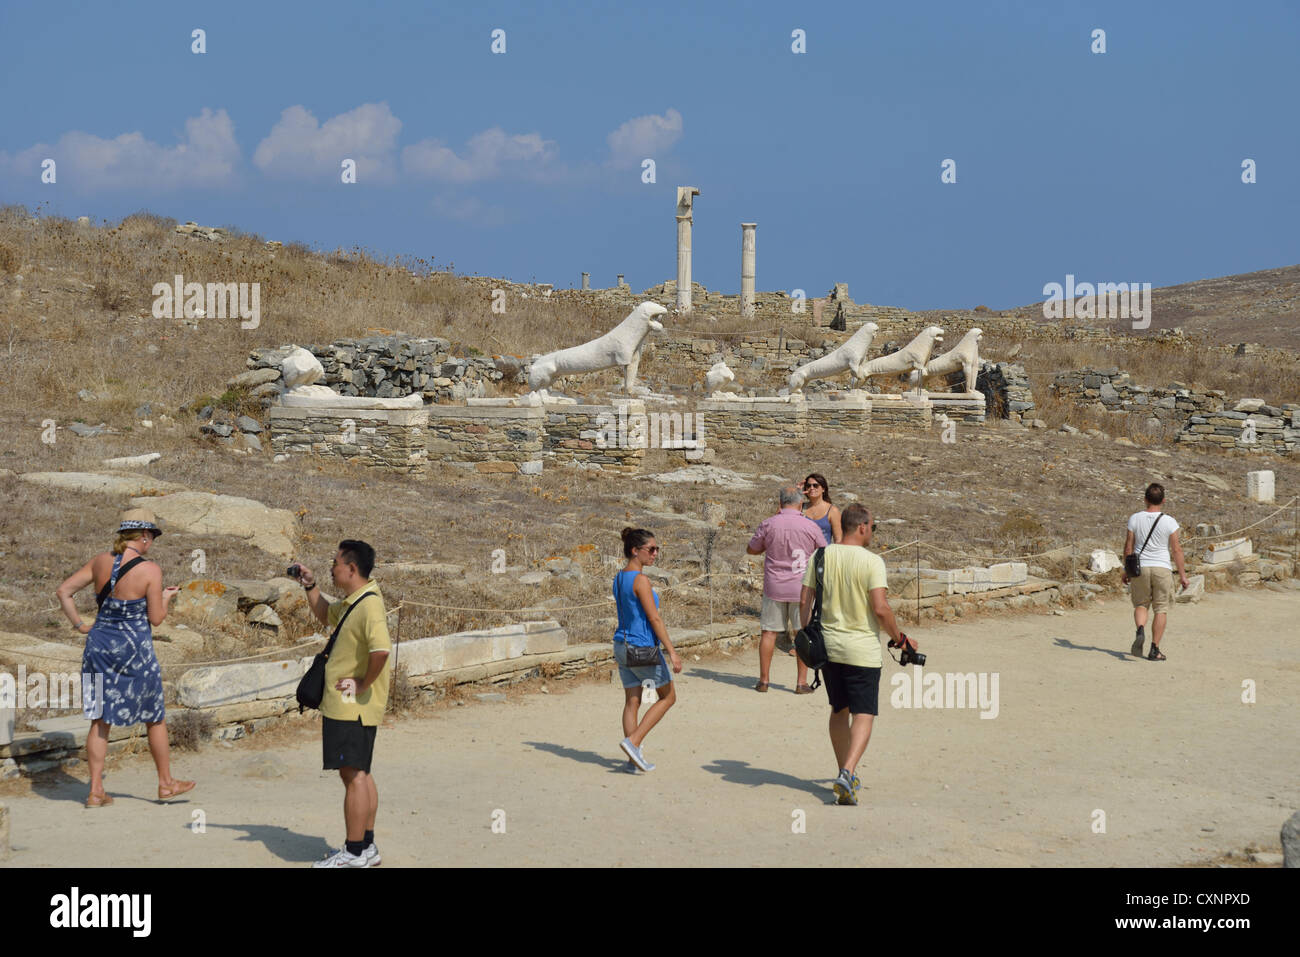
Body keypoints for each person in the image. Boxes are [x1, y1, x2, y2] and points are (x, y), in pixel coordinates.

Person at [55, 508, 194, 807]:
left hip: (98, 646)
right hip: (134, 651)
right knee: (155, 717)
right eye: (152, 537)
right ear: (144, 536)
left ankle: (95, 790)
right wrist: (167, 598)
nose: (152, 543)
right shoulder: (150, 570)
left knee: (99, 719)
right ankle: (166, 784)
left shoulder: (100, 562)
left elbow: (64, 591)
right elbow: (155, 618)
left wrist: (80, 625)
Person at [799, 503, 906, 806]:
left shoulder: (820, 556)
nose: (872, 532)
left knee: (838, 710)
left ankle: (842, 771)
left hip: (829, 647)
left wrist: (805, 633)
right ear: (862, 526)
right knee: (864, 712)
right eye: (872, 527)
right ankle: (847, 772)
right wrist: (900, 639)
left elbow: (805, 600)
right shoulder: (873, 562)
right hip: (862, 650)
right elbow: (881, 608)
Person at [296, 540, 391, 868]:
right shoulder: (357, 600)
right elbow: (325, 613)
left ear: (351, 569)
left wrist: (363, 682)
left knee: (353, 777)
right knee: (360, 773)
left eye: (335, 562)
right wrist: (310, 585)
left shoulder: (369, 607)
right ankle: (367, 847)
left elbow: (381, 650)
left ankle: (352, 854)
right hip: (351, 705)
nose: (331, 566)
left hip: (353, 704)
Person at [613, 527, 682, 772]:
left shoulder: (619, 578)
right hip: (641, 647)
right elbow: (654, 619)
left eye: (657, 549)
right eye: (651, 549)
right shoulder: (641, 580)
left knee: (633, 701)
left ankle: (633, 760)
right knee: (668, 696)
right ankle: (634, 742)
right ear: (635, 551)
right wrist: (671, 650)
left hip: (621, 645)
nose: (655, 554)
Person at [747, 486, 827, 693]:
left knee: (768, 633)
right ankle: (801, 682)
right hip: (802, 587)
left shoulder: (769, 524)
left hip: (774, 586)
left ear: (780, 502)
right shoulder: (810, 526)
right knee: (802, 634)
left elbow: (752, 549)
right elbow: (823, 551)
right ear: (801, 503)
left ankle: (764, 680)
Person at [1122, 483, 1189, 661]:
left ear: (1145, 499)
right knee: (1161, 608)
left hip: (1140, 567)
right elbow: (1176, 550)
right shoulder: (1169, 521)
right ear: (1164, 501)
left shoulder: (1135, 519)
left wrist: (1125, 570)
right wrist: (1182, 575)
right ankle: (1154, 649)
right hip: (1162, 568)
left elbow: (1128, 547)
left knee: (1141, 604)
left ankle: (1140, 629)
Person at [801, 473, 843, 544]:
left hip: (823, 553)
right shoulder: (799, 507)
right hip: (802, 553)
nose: (811, 488)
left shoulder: (832, 511)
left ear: (823, 489)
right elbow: (779, 518)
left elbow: (838, 539)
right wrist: (795, 494)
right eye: (808, 486)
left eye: (815, 485)